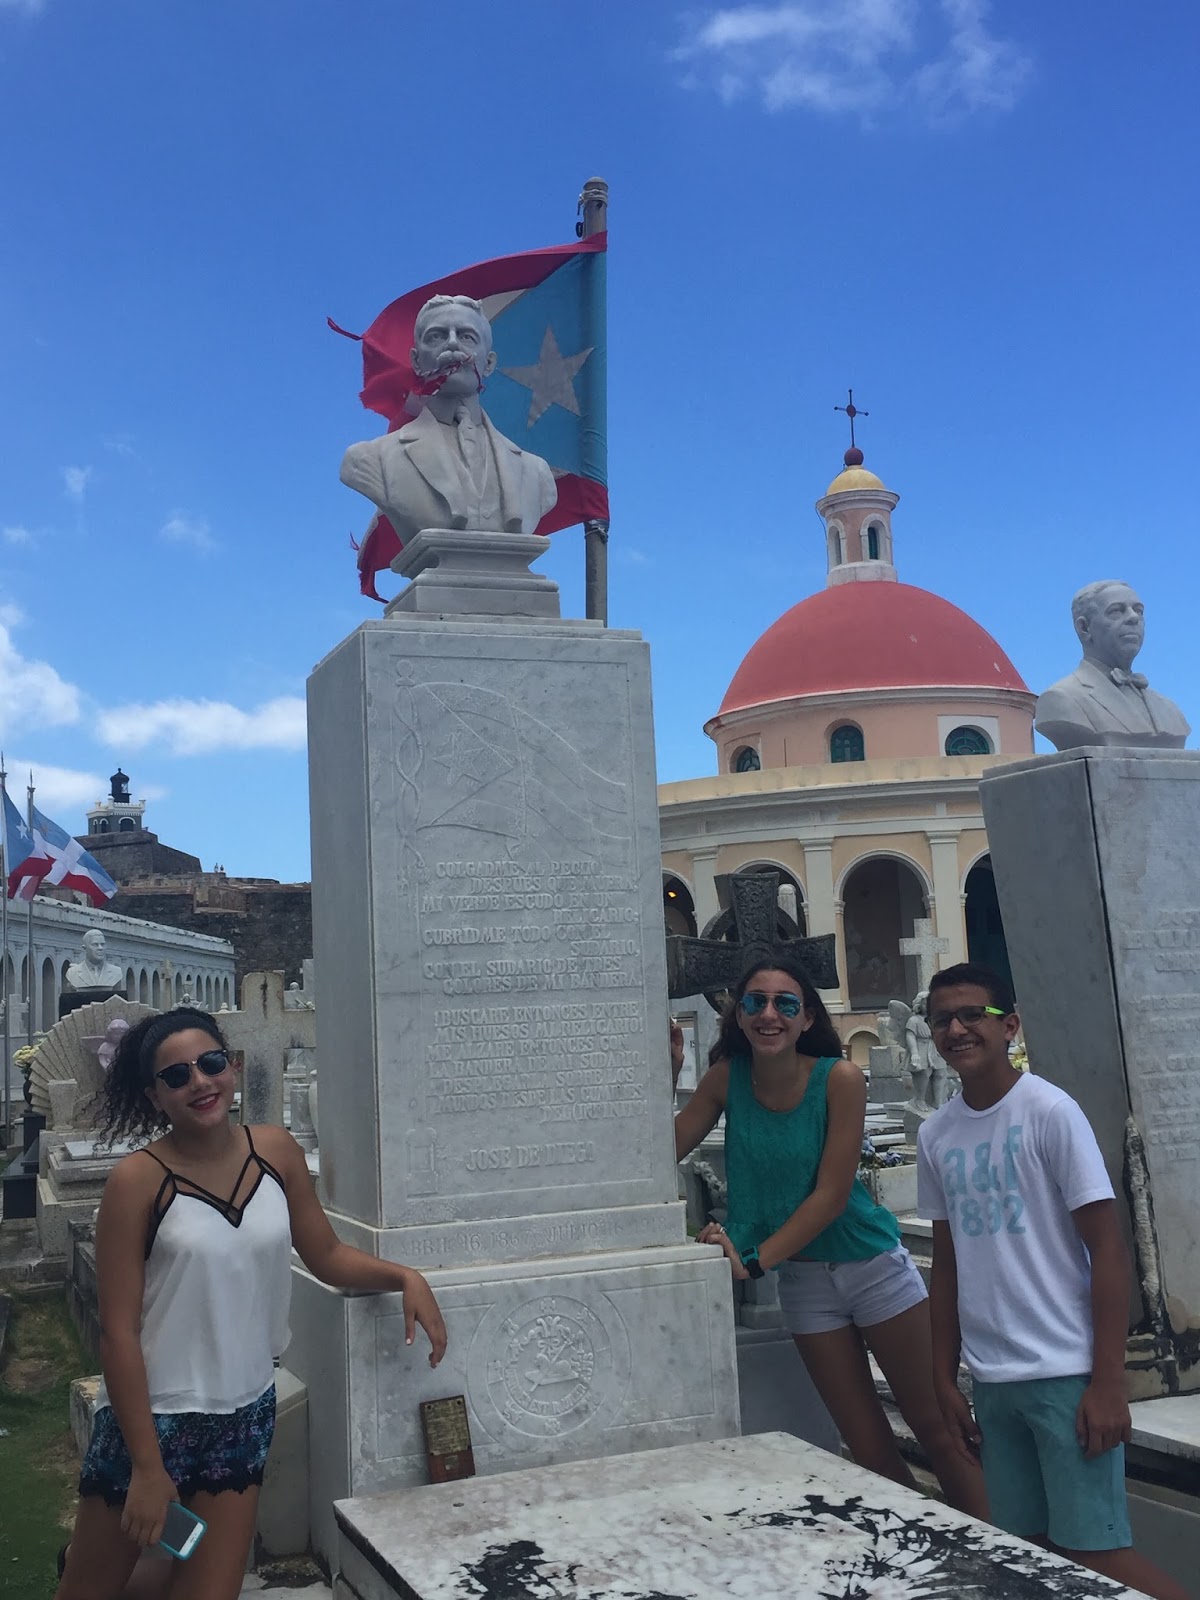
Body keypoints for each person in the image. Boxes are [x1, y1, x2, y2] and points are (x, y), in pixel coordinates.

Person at [55, 1007, 448, 1600]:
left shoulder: (276, 1152)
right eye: (177, 1076)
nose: (200, 1082)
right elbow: (117, 1332)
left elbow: (324, 1254)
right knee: (89, 1592)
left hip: (242, 1414)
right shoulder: (137, 1181)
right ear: (155, 1097)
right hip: (153, 1418)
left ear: (232, 1067)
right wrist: (146, 1467)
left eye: (211, 1063)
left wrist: (404, 1276)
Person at [672, 953, 987, 1518]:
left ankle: (1002, 1563)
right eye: (756, 1002)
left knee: (941, 1432)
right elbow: (661, 1152)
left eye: (785, 1004)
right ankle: (923, 1556)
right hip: (806, 1284)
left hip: (872, 1269)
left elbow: (831, 1195)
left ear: (806, 1019)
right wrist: (669, 1074)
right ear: (738, 1015)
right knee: (868, 1448)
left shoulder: (838, 1079)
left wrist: (754, 1260)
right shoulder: (725, 1080)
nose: (770, 1014)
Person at [917, 962, 1187, 1599]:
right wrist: (942, 1380)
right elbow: (949, 1264)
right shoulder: (937, 1134)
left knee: (1095, 1554)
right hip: (993, 1380)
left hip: (1064, 1376)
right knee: (1025, 1556)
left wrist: (1107, 1380)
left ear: (1009, 1025)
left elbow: (1109, 1250)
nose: (955, 1028)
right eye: (941, 1019)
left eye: (971, 1015)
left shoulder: (1048, 1113)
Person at [340, 293, 558, 546]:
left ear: (489, 363)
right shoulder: (370, 459)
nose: (452, 345)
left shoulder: (536, 473)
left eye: (467, 336)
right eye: (437, 336)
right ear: (416, 362)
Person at [1035, 580, 1190, 750]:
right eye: (1116, 611)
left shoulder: (1170, 710)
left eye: (1139, 610)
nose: (1133, 617)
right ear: (1084, 628)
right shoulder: (1061, 699)